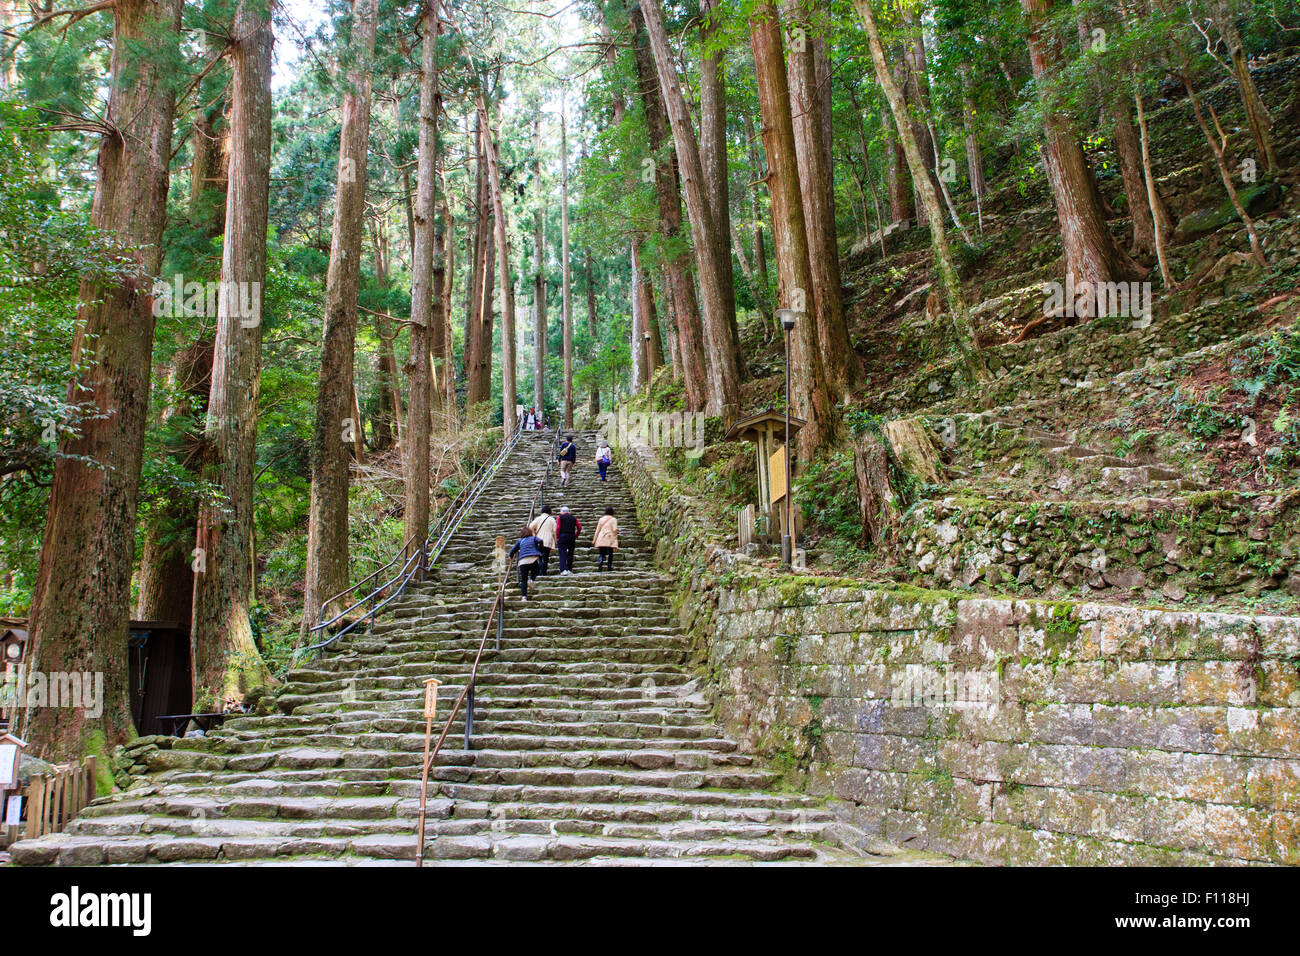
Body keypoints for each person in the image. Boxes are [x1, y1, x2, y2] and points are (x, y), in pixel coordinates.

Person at [507, 525, 544, 600]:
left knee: (524, 579)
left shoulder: (520, 541)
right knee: (538, 569)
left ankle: (524, 597)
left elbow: (512, 551)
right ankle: (531, 580)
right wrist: (540, 550)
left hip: (522, 560)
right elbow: (540, 541)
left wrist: (511, 557)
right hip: (533, 558)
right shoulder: (533, 538)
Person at [528, 505, 557, 575]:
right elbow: (555, 531)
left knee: (539, 557)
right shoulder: (552, 519)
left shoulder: (538, 518)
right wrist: (555, 540)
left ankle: (538, 571)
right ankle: (543, 572)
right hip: (548, 540)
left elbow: (530, 526)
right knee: (546, 557)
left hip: (539, 540)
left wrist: (534, 535)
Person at [556, 505, 581, 574]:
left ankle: (563, 569)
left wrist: (557, 536)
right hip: (571, 536)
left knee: (562, 552)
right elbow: (579, 527)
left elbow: (558, 527)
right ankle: (569, 569)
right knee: (570, 553)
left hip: (562, 536)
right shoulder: (574, 518)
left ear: (562, 512)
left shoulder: (560, 517)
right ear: (569, 512)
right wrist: (576, 535)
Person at [593, 506, 618, 571]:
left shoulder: (601, 519)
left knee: (601, 553)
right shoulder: (613, 519)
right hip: (609, 537)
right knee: (610, 553)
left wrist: (594, 540)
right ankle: (609, 567)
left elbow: (597, 531)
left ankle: (600, 564)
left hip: (601, 537)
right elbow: (615, 530)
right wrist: (615, 540)